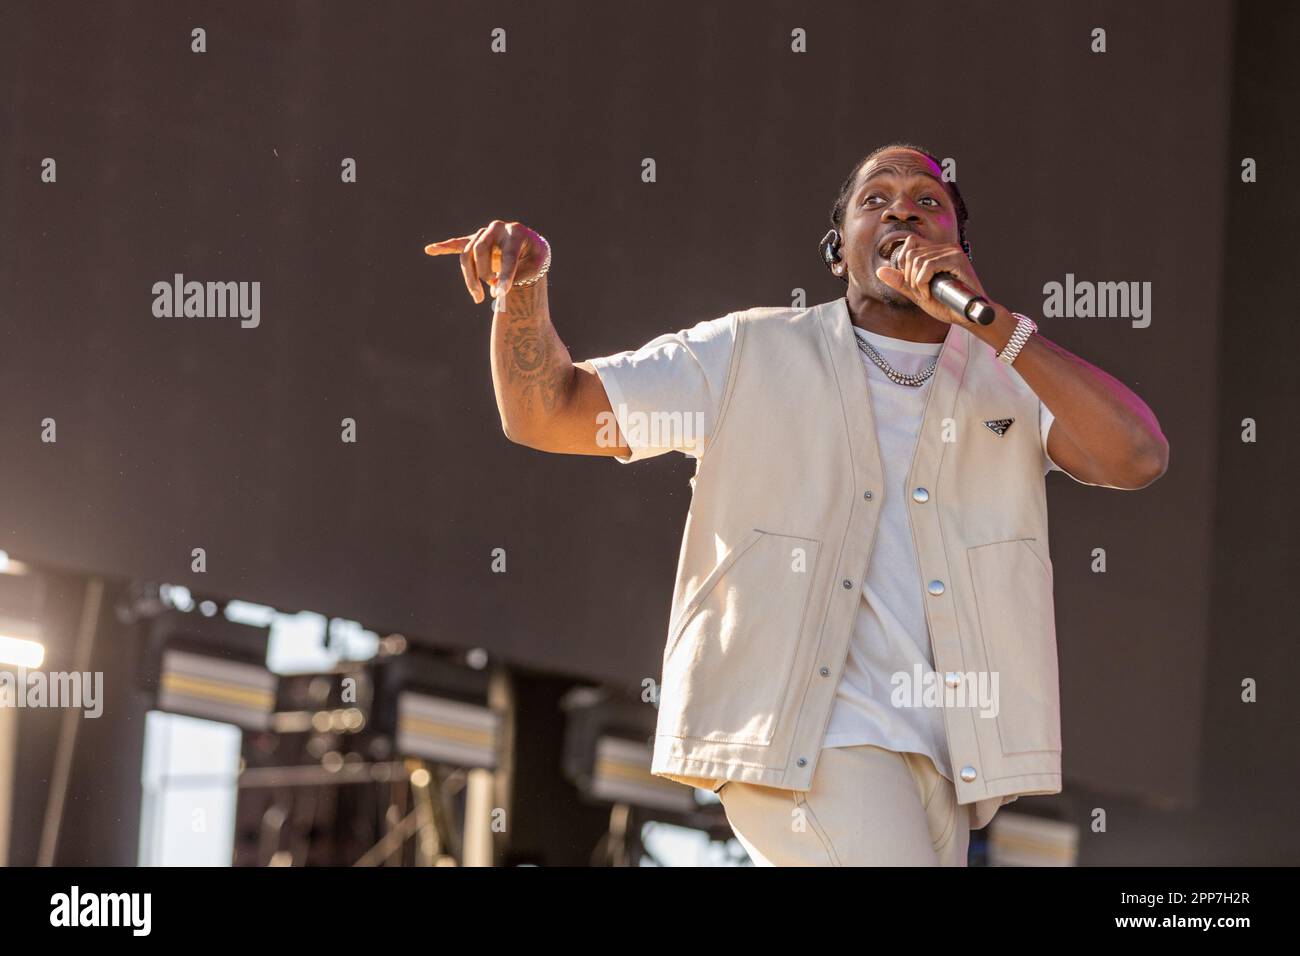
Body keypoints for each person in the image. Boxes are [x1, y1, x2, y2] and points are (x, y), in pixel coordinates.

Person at [425, 142, 1169, 866]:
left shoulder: (1008, 382)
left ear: (958, 247)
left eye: (927, 203)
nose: (902, 213)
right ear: (840, 251)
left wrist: (990, 321)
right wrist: (522, 288)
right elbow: (547, 410)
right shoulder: (748, 353)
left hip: (951, 762)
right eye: (875, 200)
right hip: (808, 743)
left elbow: (1136, 456)